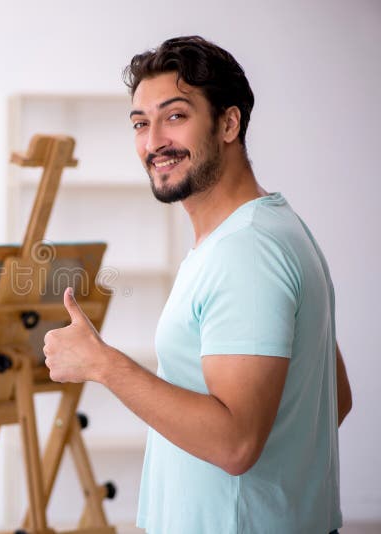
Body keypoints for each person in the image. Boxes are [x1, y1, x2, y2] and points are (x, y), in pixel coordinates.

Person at [43, 36, 352, 533]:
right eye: (141, 124)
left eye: (175, 116)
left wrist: (104, 364)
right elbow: (332, 398)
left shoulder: (246, 251)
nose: (153, 141)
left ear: (229, 123)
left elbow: (235, 444)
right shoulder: (264, 231)